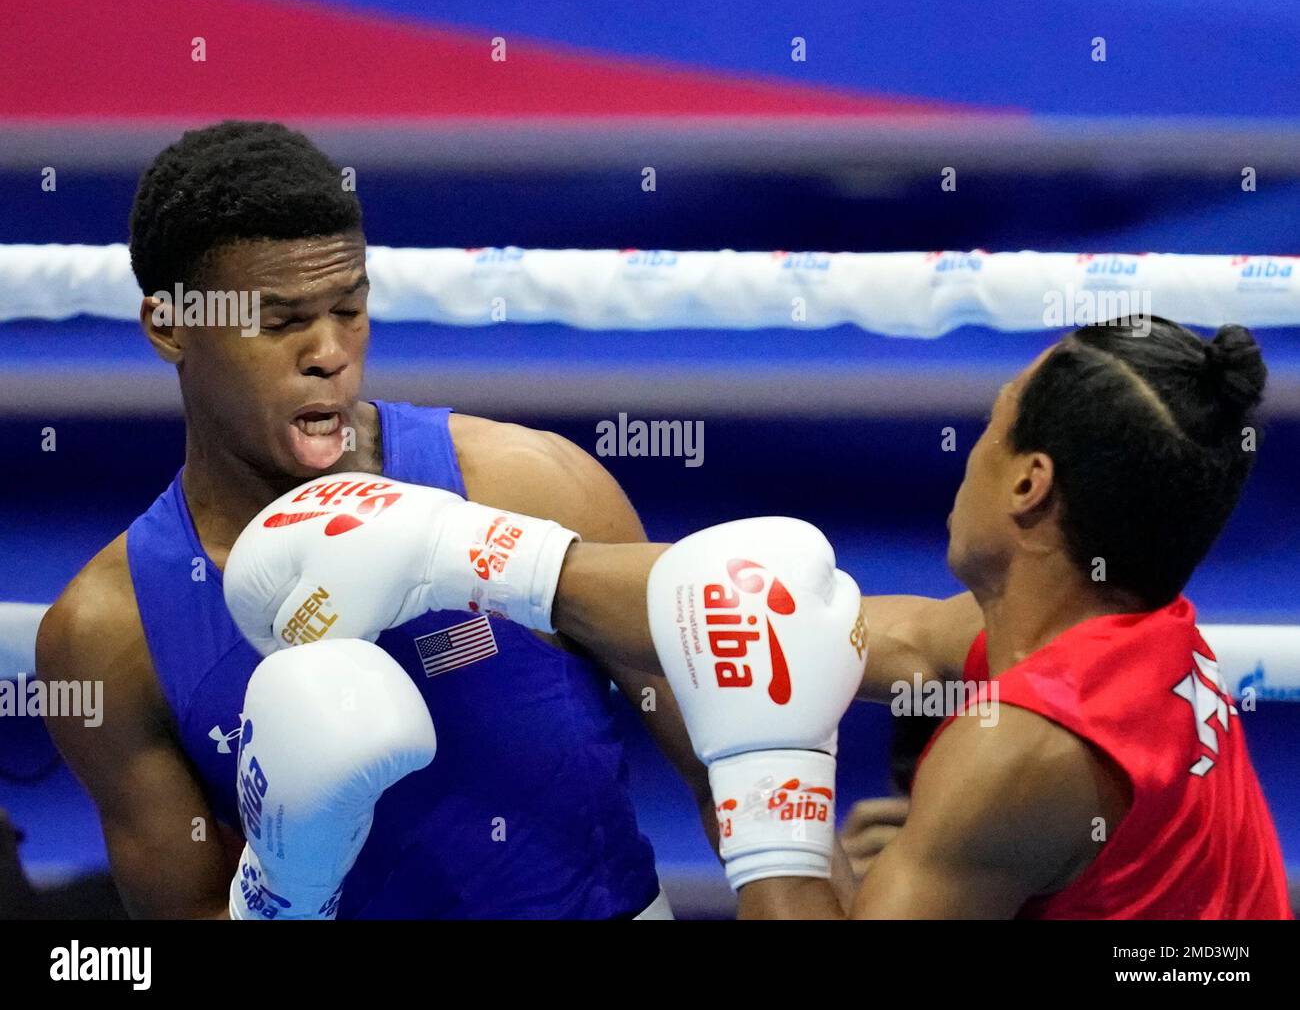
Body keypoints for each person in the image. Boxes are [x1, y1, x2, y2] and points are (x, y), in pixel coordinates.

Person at [231, 317, 1289, 918]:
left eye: (991, 425)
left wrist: (770, 799)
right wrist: (468, 553)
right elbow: (766, 613)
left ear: (1029, 485)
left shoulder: (1021, 752)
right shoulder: (1126, 629)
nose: (967, 446)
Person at [37, 120, 717, 920]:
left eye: (348, 310)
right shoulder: (112, 631)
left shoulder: (526, 486)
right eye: (282, 321)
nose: (329, 351)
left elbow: (736, 771)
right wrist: (284, 885)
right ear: (169, 325)